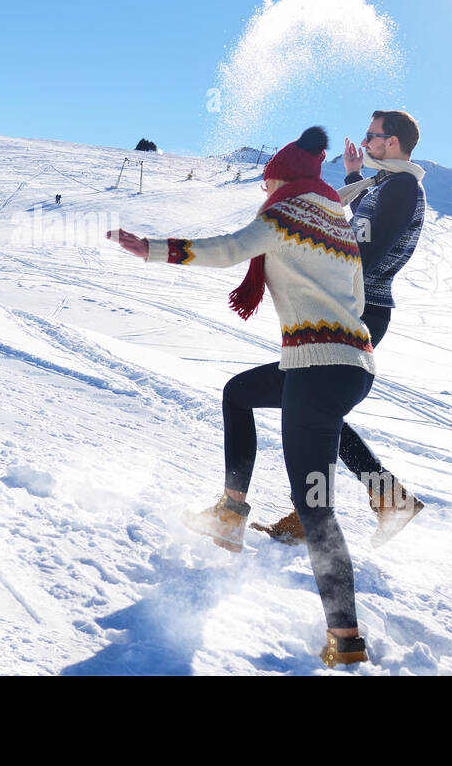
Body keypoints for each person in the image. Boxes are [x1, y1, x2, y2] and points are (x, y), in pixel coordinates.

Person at [108, 126, 376, 668]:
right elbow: (357, 295)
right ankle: (231, 510)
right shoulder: (336, 222)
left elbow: (230, 249)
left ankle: (345, 638)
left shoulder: (282, 218)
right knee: (241, 393)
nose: (263, 190)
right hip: (352, 366)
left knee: (316, 508)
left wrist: (153, 250)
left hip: (316, 368)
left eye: (267, 181)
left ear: (282, 179)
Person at [251, 110, 427, 547]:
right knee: (315, 411)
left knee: (310, 409)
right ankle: (377, 499)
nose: (365, 140)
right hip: (348, 307)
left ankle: (318, 514)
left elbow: (366, 250)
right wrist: (354, 175)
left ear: (395, 142)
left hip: (359, 310)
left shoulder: (402, 187)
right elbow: (353, 229)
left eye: (373, 136)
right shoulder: (382, 184)